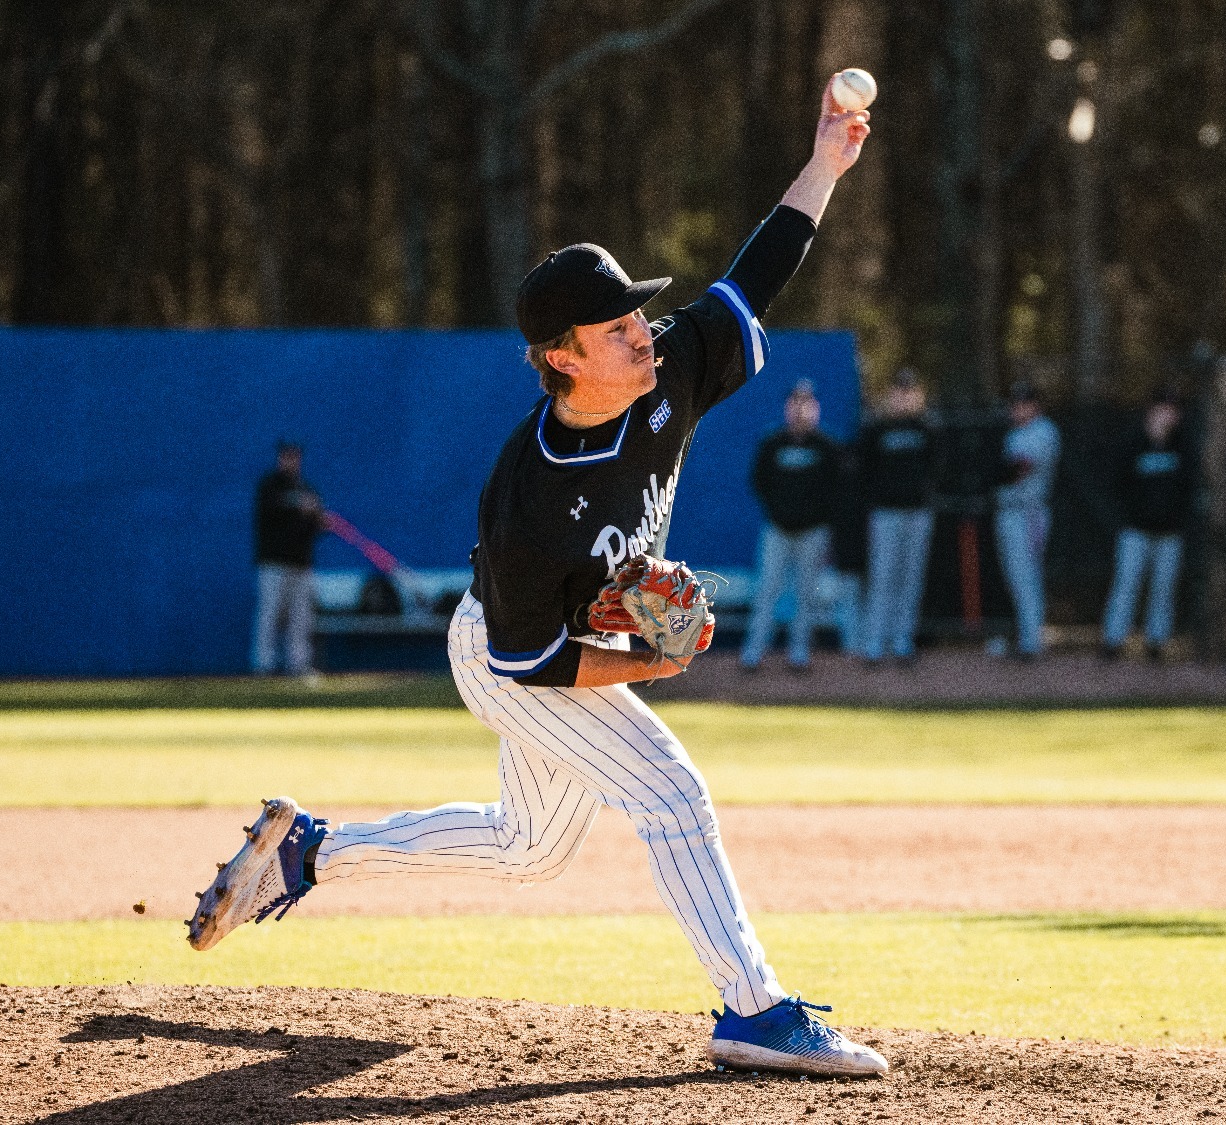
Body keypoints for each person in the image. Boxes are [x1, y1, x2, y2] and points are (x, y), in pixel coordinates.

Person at [186, 77, 887, 1079]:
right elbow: (541, 660)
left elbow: (752, 278)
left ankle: (309, 853)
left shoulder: (668, 373)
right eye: (614, 331)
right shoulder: (529, 503)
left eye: (637, 316)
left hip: (557, 645)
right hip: (516, 652)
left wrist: (823, 164)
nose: (643, 332)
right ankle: (753, 1009)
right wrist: (649, 661)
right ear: (560, 360)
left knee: (528, 849)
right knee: (671, 794)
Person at [741, 380, 845, 672]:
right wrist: (779, 511)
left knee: (806, 595)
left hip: (813, 532)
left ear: (816, 408)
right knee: (767, 592)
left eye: (807, 403)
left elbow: (837, 490)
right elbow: (759, 482)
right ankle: (753, 653)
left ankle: (798, 655)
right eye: (795, 403)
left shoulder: (827, 446)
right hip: (777, 530)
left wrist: (819, 518)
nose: (800, 410)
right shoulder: (772, 443)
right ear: (788, 407)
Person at [1100, 393, 1193, 662]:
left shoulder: (1181, 445)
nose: (1169, 416)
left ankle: (1156, 643)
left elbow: (1187, 487)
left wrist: (1177, 517)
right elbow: (1117, 483)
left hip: (1170, 532)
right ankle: (1113, 641)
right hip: (1136, 530)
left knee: (1164, 589)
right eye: (1165, 409)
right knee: (1126, 585)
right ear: (1152, 411)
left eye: (1173, 410)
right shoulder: (1133, 442)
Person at [856, 368, 939, 667]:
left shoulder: (927, 428)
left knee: (911, 579)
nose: (904, 396)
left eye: (909, 391)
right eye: (899, 390)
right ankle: (874, 643)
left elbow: (937, 468)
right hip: (886, 513)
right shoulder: (877, 429)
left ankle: (903, 640)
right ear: (891, 394)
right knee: (882, 577)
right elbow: (864, 471)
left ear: (918, 394)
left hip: (917, 513)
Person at [993, 382, 1061, 661]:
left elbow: (1018, 469)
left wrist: (991, 470)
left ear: (1036, 405)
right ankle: (1026, 636)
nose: (1018, 408)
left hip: (1029, 512)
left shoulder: (1044, 430)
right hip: (1010, 510)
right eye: (1016, 403)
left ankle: (1031, 642)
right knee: (1017, 578)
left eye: (1025, 403)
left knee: (1026, 577)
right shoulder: (1015, 433)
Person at [251, 440, 326, 677]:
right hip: (273, 563)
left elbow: (314, 524)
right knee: (270, 614)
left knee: (301, 617)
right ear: (280, 458)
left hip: (301, 563)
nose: (291, 461)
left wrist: (319, 521)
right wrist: (298, 507)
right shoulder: (270, 486)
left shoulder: (306, 488)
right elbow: (271, 511)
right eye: (287, 456)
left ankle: (299, 665)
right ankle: (263, 666)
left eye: (295, 457)